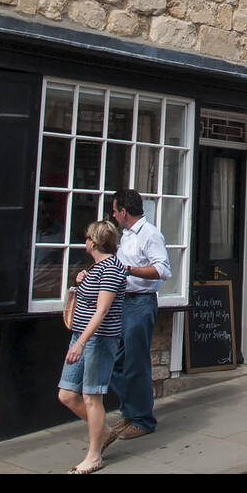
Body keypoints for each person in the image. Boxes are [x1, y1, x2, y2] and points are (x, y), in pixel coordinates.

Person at [99, 189, 171, 444]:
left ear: (124, 212)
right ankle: (130, 412)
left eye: (115, 210)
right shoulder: (126, 235)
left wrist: (129, 269)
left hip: (140, 303)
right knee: (118, 362)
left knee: (136, 363)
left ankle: (143, 420)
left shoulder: (150, 234)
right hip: (122, 303)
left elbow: (162, 269)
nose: (113, 215)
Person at [58, 219, 128, 473]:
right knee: (67, 395)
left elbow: (101, 311)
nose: (85, 240)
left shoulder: (110, 269)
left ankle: (94, 456)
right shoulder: (99, 268)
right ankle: (105, 432)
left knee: (91, 397)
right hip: (81, 337)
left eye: (87, 237)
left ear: (95, 242)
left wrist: (80, 343)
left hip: (97, 341)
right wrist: (83, 279)